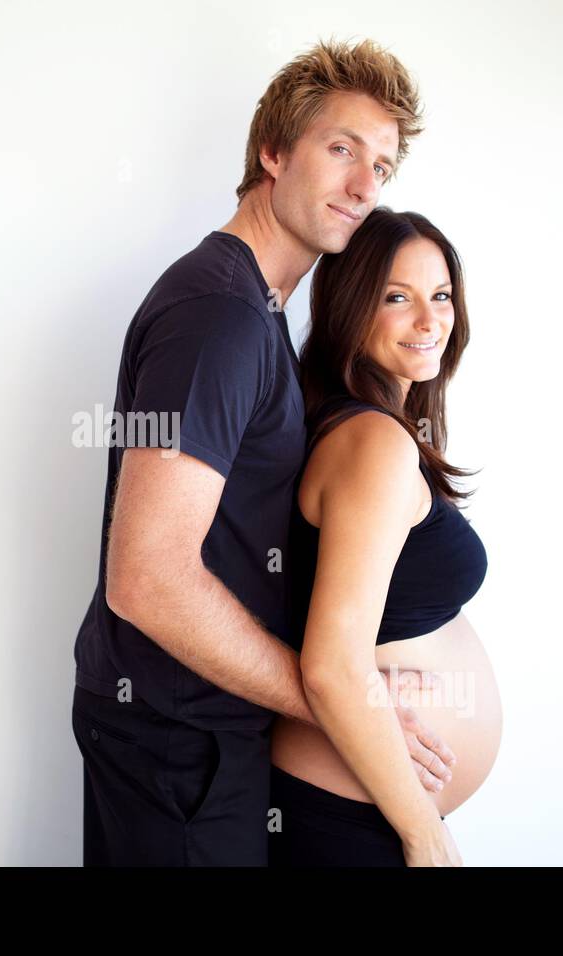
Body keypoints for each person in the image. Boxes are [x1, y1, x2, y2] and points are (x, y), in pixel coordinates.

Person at [70, 37, 456, 866]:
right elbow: (147, 578)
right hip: (179, 747)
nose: (364, 186)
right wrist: (338, 702)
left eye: (382, 168)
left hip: (197, 737)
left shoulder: (256, 311)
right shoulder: (221, 316)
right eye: (342, 148)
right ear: (273, 151)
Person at [269, 208, 499, 867]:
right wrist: (424, 832)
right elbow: (333, 666)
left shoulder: (374, 430)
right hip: (347, 816)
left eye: (441, 295)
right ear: (350, 307)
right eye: (397, 297)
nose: (429, 321)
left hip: (368, 802)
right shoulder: (372, 443)